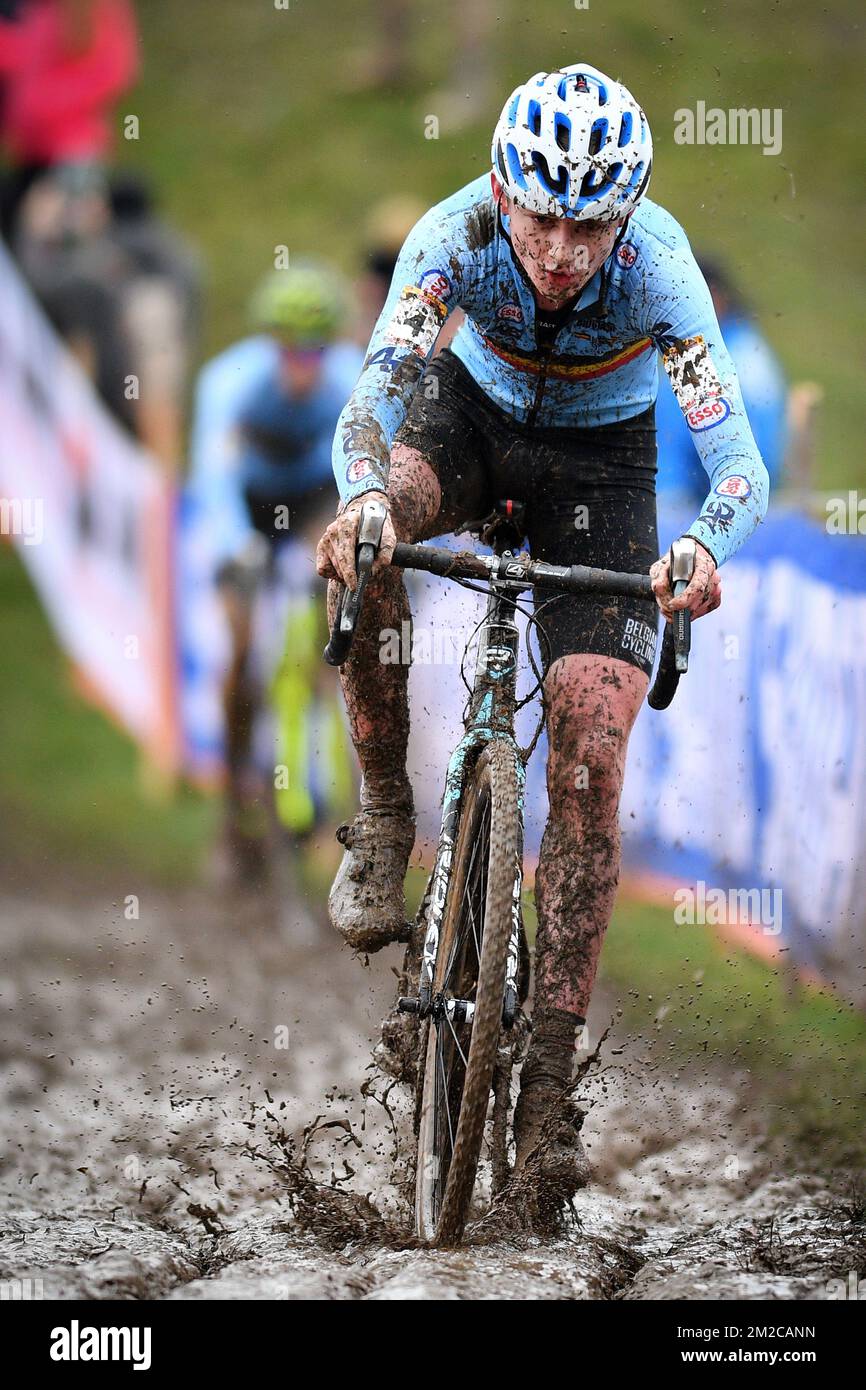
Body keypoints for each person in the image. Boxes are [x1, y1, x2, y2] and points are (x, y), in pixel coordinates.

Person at [316, 63, 770, 1214]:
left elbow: (738, 465)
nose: (563, 246)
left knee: (591, 756)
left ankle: (548, 1093)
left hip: (599, 472)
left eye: (589, 222)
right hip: (460, 424)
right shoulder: (453, 234)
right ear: (501, 191)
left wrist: (703, 547)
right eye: (543, 215)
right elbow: (373, 390)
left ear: (626, 215)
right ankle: (381, 816)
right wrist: (366, 493)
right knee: (359, 546)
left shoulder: (659, 269)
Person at [214, 261, 362, 887]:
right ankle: (231, 812)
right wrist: (236, 546)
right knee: (242, 652)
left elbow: (349, 482)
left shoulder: (348, 383)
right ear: (270, 343)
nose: (303, 361)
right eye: (289, 348)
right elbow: (212, 479)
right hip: (244, 516)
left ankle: (328, 812)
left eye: (316, 348)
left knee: (323, 655)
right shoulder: (235, 385)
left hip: (308, 510)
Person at [655, 256, 787, 505]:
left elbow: (673, 444)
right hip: (747, 489)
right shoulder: (743, 342)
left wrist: (670, 501)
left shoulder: (705, 354)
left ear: (710, 295)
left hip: (719, 495)